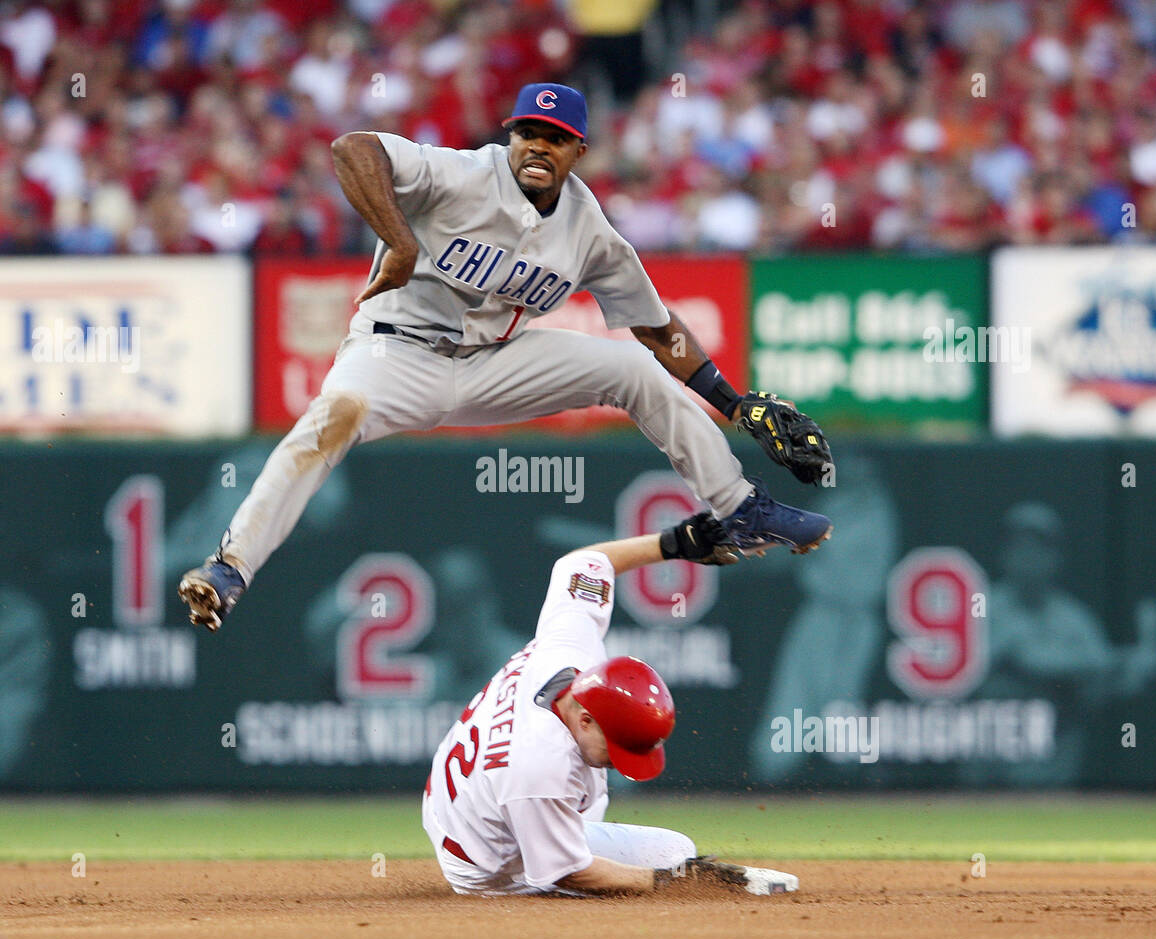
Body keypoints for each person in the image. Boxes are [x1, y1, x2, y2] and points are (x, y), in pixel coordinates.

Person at [180, 82, 831, 631]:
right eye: (527, 132)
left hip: (496, 359)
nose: (537, 147)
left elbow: (657, 330)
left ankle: (738, 508)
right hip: (395, 351)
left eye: (554, 137)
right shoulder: (464, 174)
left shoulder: (587, 228)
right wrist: (398, 239)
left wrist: (734, 403)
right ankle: (231, 564)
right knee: (334, 413)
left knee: (632, 369)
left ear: (579, 149)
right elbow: (353, 149)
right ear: (510, 136)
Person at [422, 510, 798, 896]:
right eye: (618, 747)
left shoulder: (571, 644)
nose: (621, 761)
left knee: (651, 839)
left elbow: (584, 563)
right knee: (672, 856)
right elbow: (569, 872)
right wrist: (678, 881)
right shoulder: (538, 765)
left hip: (458, 798)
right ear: (585, 719)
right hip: (482, 862)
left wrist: (672, 543)